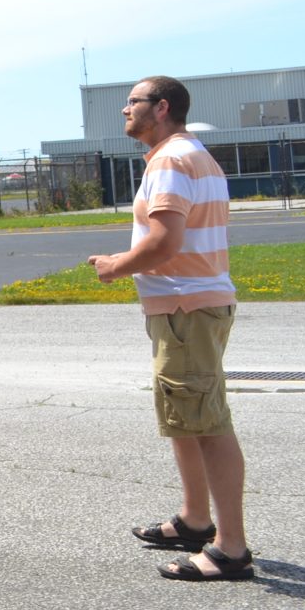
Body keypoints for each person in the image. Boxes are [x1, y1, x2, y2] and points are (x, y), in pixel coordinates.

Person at [87, 76, 253, 582]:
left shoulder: (171, 160)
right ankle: (196, 521)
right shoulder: (186, 155)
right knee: (187, 417)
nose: (124, 110)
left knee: (206, 421)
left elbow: (164, 243)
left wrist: (116, 265)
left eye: (133, 102)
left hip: (186, 310)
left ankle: (230, 550)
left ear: (161, 108)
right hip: (186, 309)